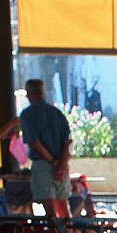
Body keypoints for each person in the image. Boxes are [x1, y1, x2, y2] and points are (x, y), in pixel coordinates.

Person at [20, 78, 72, 221]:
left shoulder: (27, 114)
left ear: (28, 94)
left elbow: (34, 142)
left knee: (51, 214)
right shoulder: (57, 113)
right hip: (61, 163)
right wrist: (62, 164)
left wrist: (53, 161)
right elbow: (68, 142)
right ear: (43, 93)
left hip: (44, 165)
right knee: (64, 210)